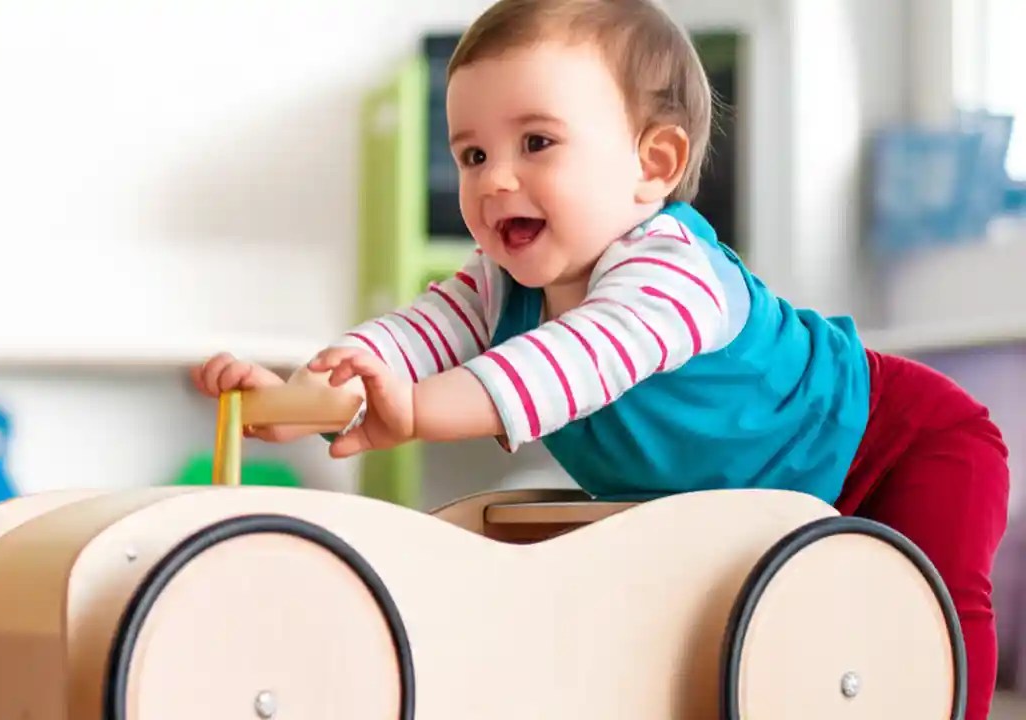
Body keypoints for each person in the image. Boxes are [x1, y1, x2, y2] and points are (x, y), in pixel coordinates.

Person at [190, 0, 1009, 715]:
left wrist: (419, 411)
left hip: (894, 441)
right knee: (779, 646)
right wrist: (302, 398)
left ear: (653, 166)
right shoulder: (498, 283)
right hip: (769, 500)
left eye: (536, 142)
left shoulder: (671, 273)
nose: (495, 179)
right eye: (472, 155)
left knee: (925, 614)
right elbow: (404, 340)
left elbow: (573, 361)